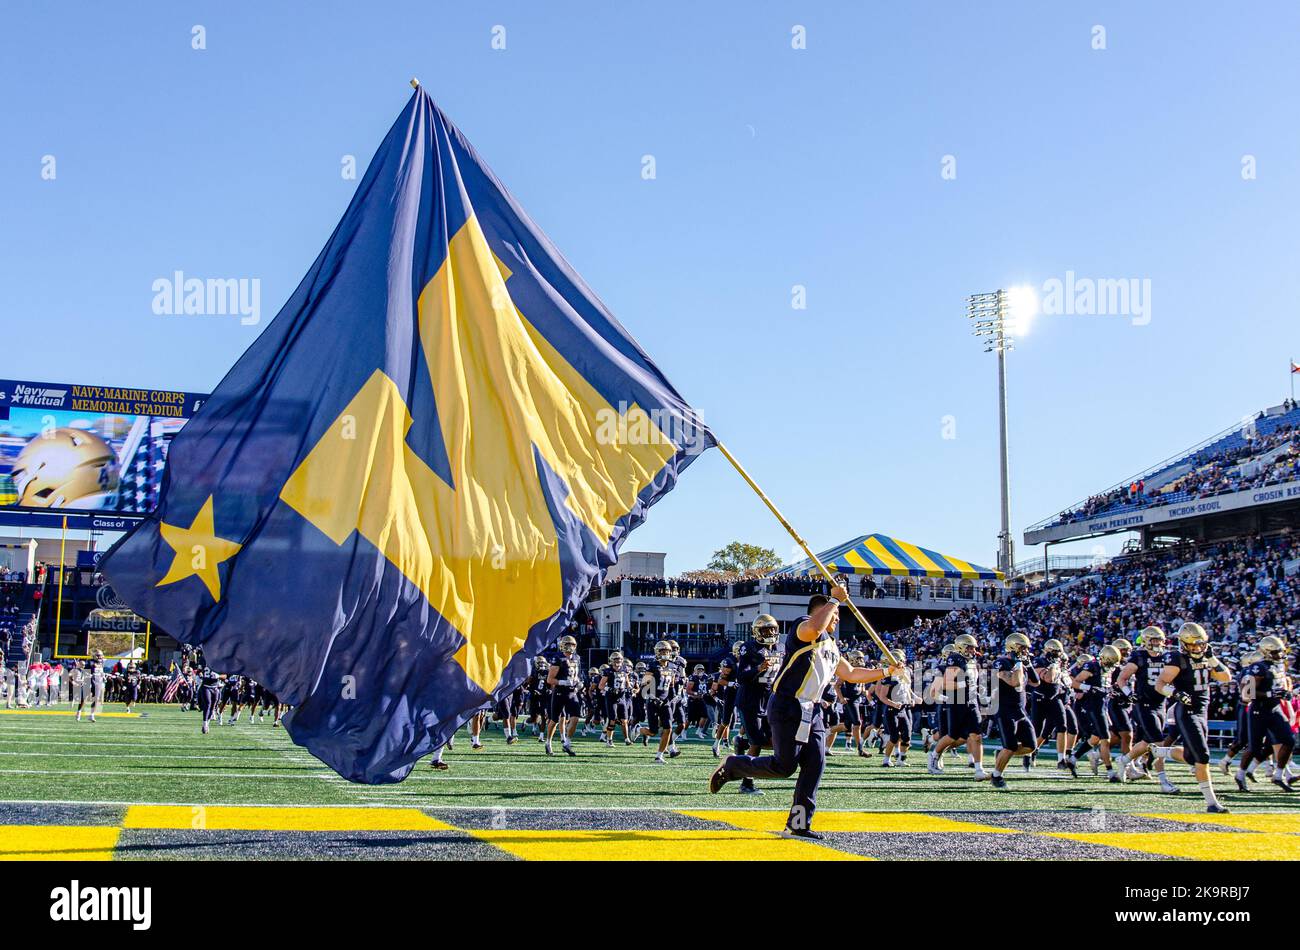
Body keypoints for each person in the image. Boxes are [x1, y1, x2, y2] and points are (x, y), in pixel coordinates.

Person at [709, 585, 905, 839]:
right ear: (821, 611)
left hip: (811, 709)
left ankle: (798, 824)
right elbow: (814, 627)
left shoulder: (831, 645)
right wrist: (834, 600)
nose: (837, 618)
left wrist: (887, 672)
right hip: (787, 704)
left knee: (815, 764)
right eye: (833, 614)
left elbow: (852, 674)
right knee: (784, 766)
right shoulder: (804, 627)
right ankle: (734, 765)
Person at [1153, 622, 1233, 813]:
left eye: (1200, 644)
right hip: (1187, 710)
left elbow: (1226, 678)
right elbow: (1160, 684)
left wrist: (1212, 658)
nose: (1197, 648)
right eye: (1193, 645)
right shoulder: (1177, 659)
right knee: (1203, 756)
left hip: (1202, 710)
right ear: (1183, 644)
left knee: (1191, 756)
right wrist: (1175, 693)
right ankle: (1212, 802)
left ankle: (1161, 752)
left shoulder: (1208, 657)